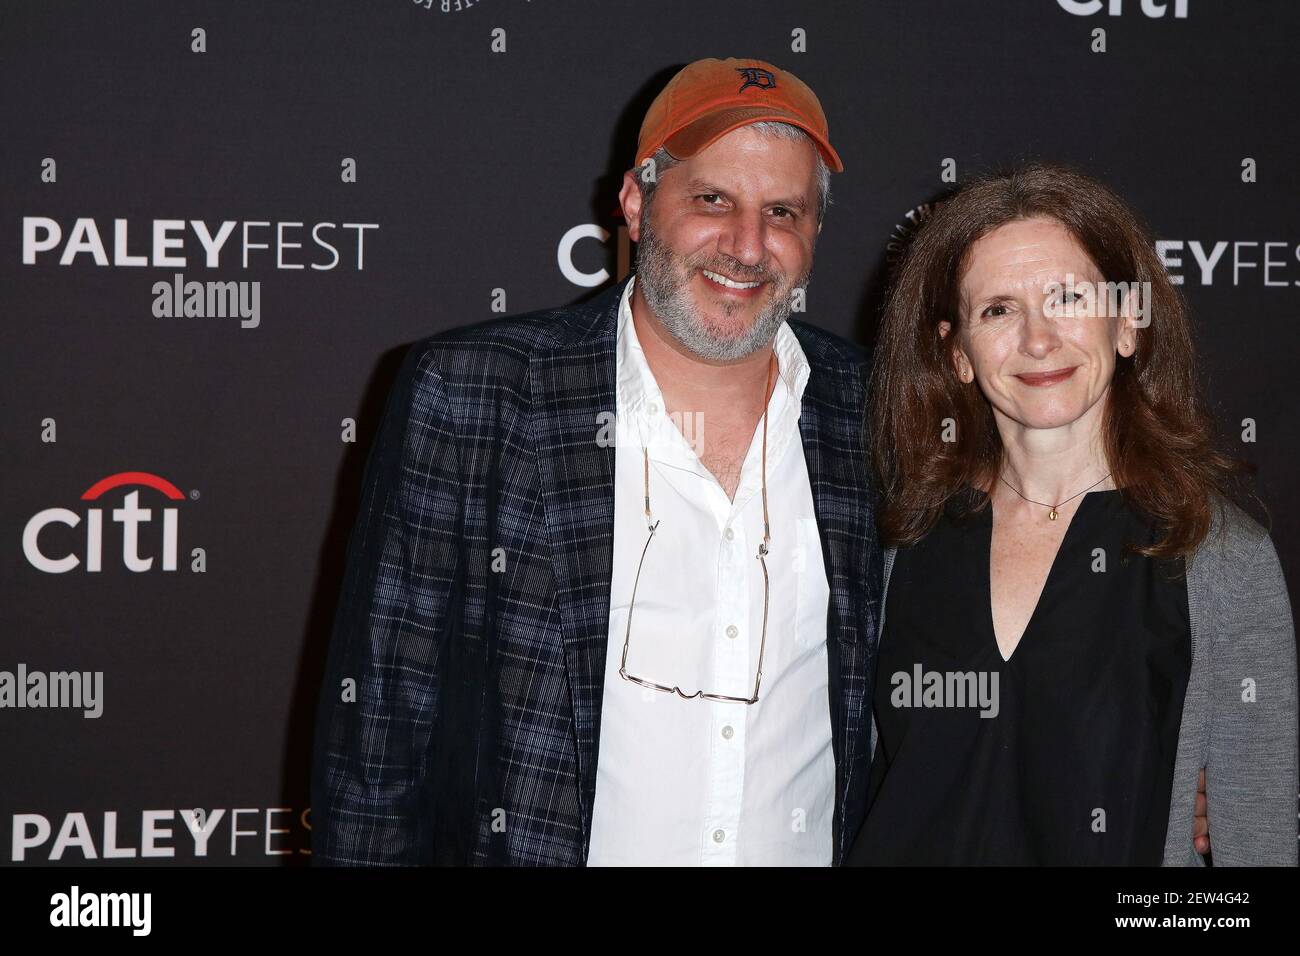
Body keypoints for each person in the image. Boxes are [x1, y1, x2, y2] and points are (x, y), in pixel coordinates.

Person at [311, 57, 881, 865]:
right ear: (636, 204)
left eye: (782, 211)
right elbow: (378, 734)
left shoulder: (873, 411)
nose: (748, 246)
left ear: (814, 234)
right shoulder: (477, 394)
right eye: (712, 200)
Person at [848, 162, 1297, 866]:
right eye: (998, 309)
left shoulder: (1218, 557)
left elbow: (1257, 851)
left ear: (1125, 325)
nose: (1037, 338)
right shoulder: (901, 541)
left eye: (1068, 298)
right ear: (958, 353)